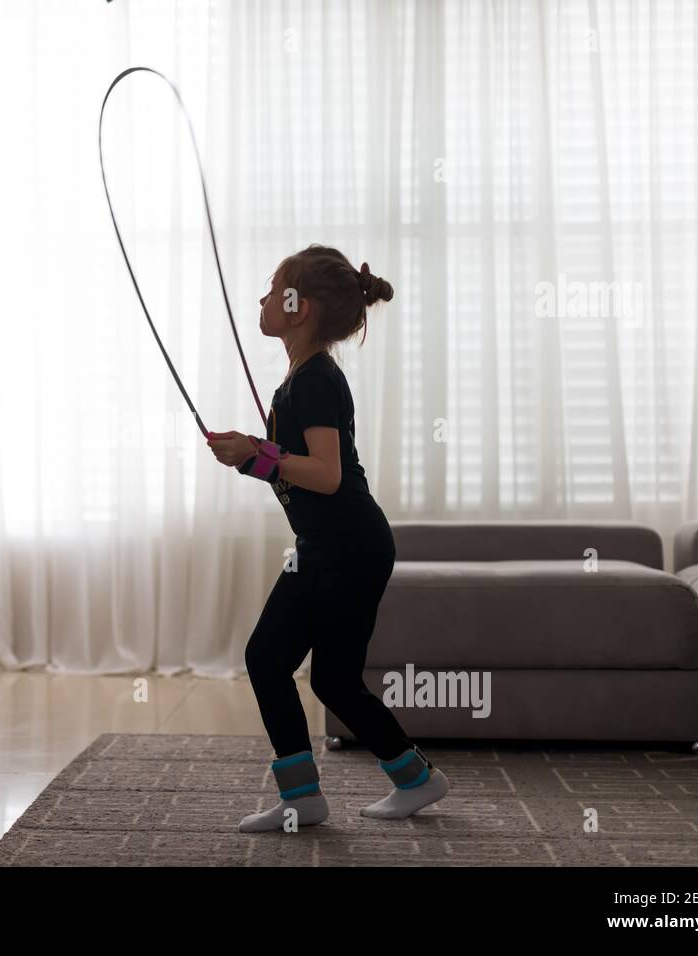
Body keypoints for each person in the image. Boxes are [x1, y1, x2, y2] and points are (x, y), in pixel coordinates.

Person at [206, 244, 449, 833]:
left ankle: (308, 798)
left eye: (272, 290)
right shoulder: (302, 377)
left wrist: (258, 450)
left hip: (346, 547)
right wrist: (249, 457)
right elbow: (296, 473)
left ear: (299, 306)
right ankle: (413, 779)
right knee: (330, 678)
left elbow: (327, 474)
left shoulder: (315, 380)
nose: (262, 300)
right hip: (336, 545)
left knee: (269, 660)